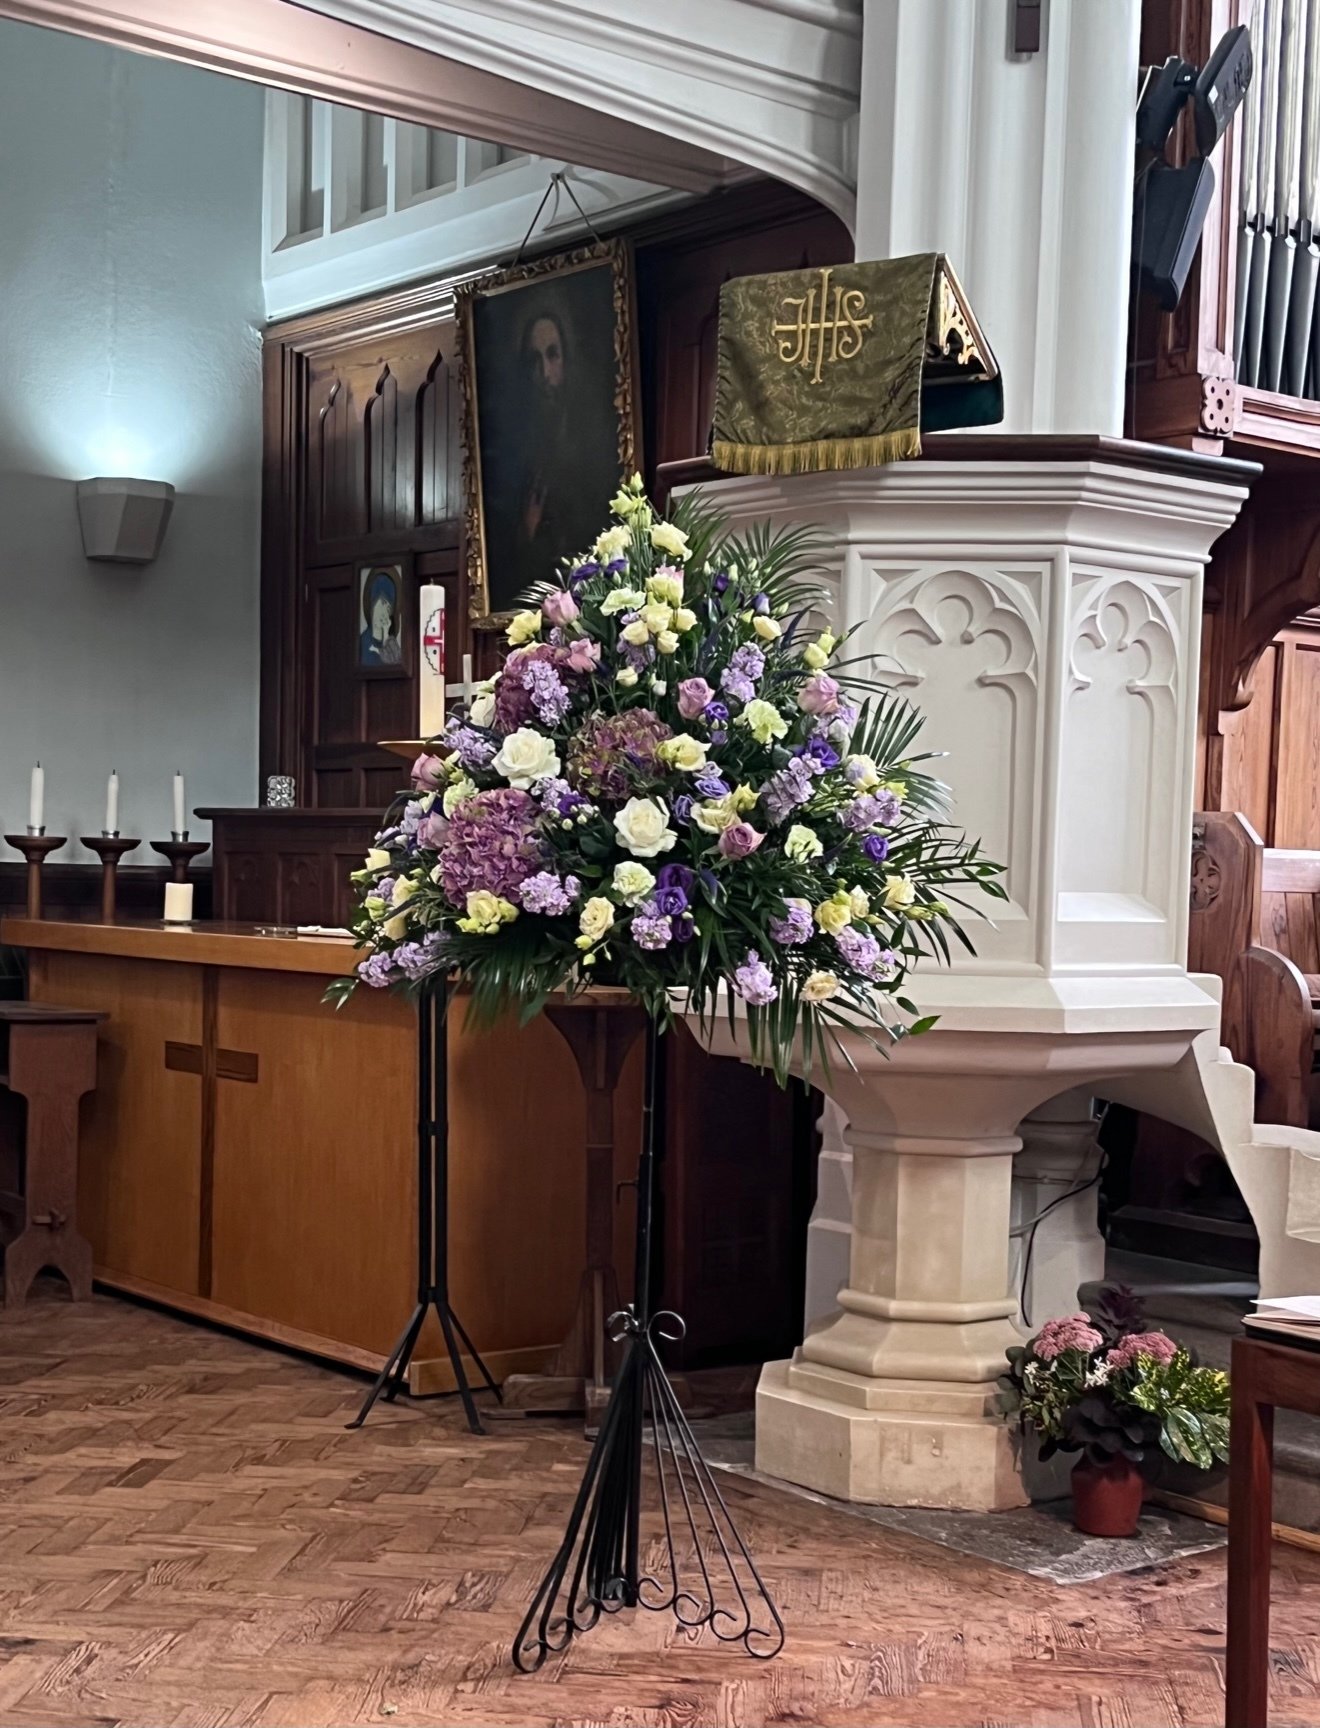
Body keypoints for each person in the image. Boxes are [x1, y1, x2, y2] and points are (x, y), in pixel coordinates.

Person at [481, 286, 622, 606]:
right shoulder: (515, 457)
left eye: (552, 355)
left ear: (566, 360)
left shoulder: (591, 446)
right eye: (533, 360)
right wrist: (526, 533)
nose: (544, 373)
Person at [359, 570, 402, 666]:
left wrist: (386, 636)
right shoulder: (362, 643)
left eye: (388, 608)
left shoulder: (392, 645)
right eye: (382, 603)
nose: (384, 613)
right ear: (372, 603)